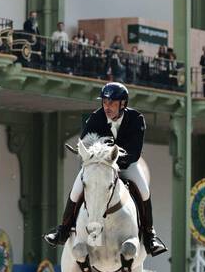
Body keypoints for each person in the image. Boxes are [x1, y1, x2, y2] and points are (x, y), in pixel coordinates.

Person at [44, 81, 167, 256]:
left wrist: (114, 159)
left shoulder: (136, 119)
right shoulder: (95, 117)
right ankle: (63, 230)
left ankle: (150, 236)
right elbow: (85, 143)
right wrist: (97, 157)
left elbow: (134, 152)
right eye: (105, 102)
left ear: (122, 104)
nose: (107, 107)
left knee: (144, 190)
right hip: (99, 166)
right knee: (76, 189)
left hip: (125, 165)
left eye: (112, 103)